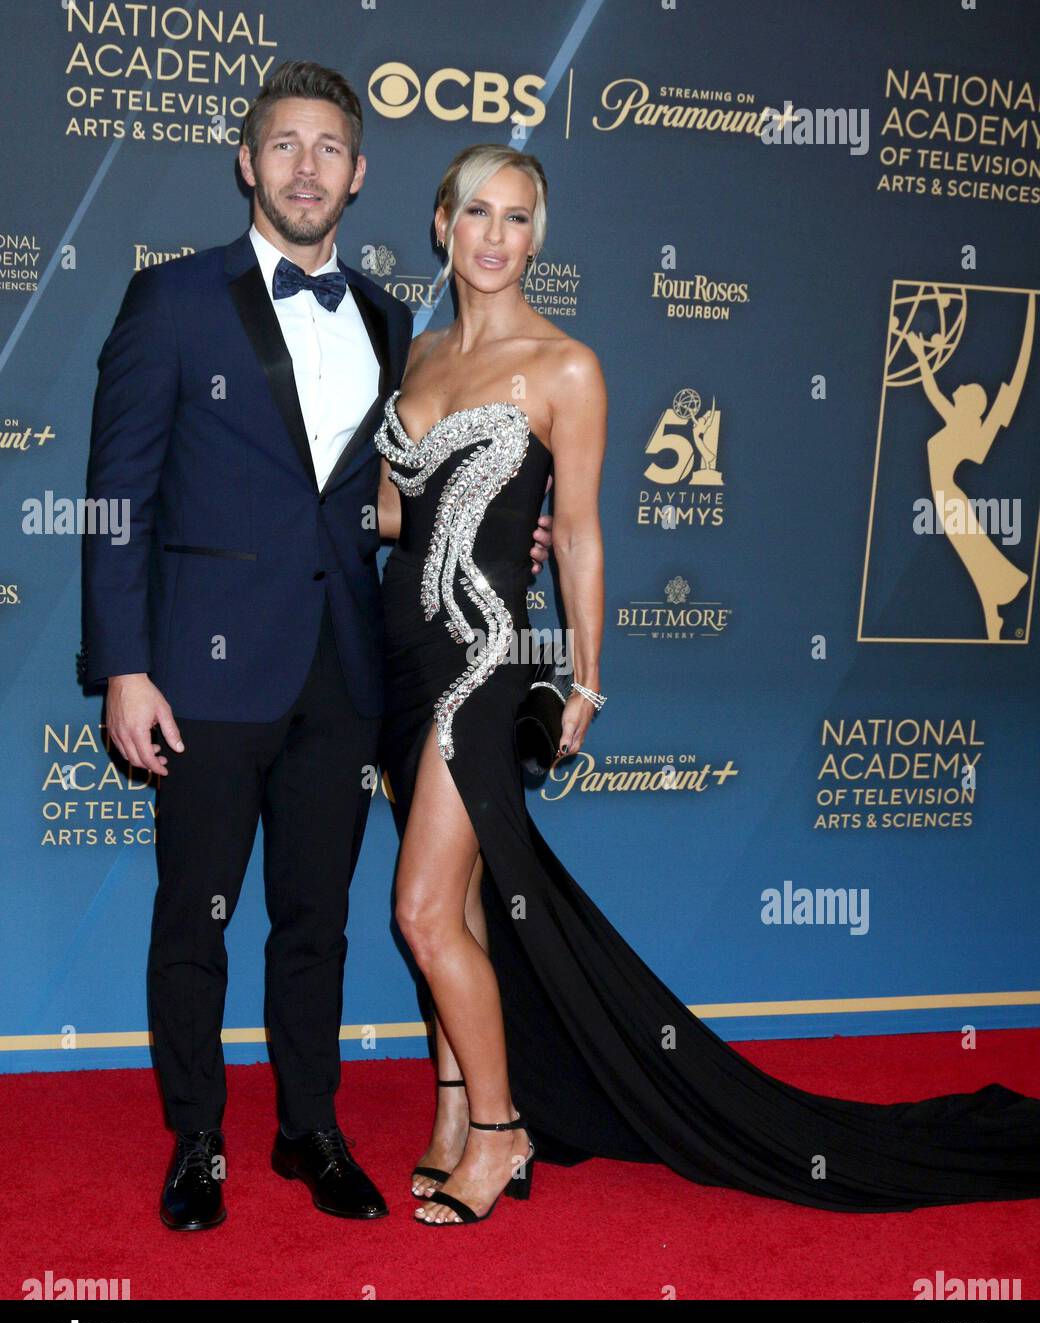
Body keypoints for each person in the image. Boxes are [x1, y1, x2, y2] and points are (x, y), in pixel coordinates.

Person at [375, 142, 1040, 1226]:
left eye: (518, 217)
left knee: (419, 911)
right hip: (398, 656)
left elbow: (581, 532)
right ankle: (456, 1108)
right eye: (476, 213)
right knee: (458, 905)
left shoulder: (565, 366)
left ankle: (499, 1136)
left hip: (487, 661)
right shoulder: (419, 354)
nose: (495, 237)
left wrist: (586, 676)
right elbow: (403, 510)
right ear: (440, 221)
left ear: (539, 236)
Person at [81, 61, 553, 1232]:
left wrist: (509, 527)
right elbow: (114, 496)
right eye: (284, 145)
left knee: (318, 919)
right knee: (194, 915)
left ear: (358, 174)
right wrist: (124, 665)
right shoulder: (171, 299)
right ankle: (199, 1141)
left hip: (342, 671)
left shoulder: (395, 321)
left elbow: (409, 491)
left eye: (329, 148)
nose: (305, 167)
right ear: (248, 162)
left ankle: (308, 1128)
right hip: (199, 673)